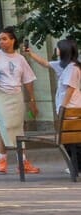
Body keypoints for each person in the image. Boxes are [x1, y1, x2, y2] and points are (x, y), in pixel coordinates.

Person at [0, 26, 39, 174]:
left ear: (13, 40)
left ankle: (23, 161)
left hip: (17, 95)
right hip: (0, 95)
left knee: (19, 127)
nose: (1, 42)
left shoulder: (20, 59)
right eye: (0, 39)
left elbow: (28, 80)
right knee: (5, 125)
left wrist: (32, 100)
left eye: (5, 39)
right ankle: (2, 159)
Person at [23, 35, 81, 173]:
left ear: (65, 50)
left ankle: (77, 166)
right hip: (69, 108)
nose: (56, 49)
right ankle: (76, 165)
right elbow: (45, 63)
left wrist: (63, 108)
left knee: (72, 139)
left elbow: (71, 88)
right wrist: (30, 54)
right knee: (70, 139)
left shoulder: (72, 68)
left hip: (71, 107)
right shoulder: (63, 65)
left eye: (58, 47)